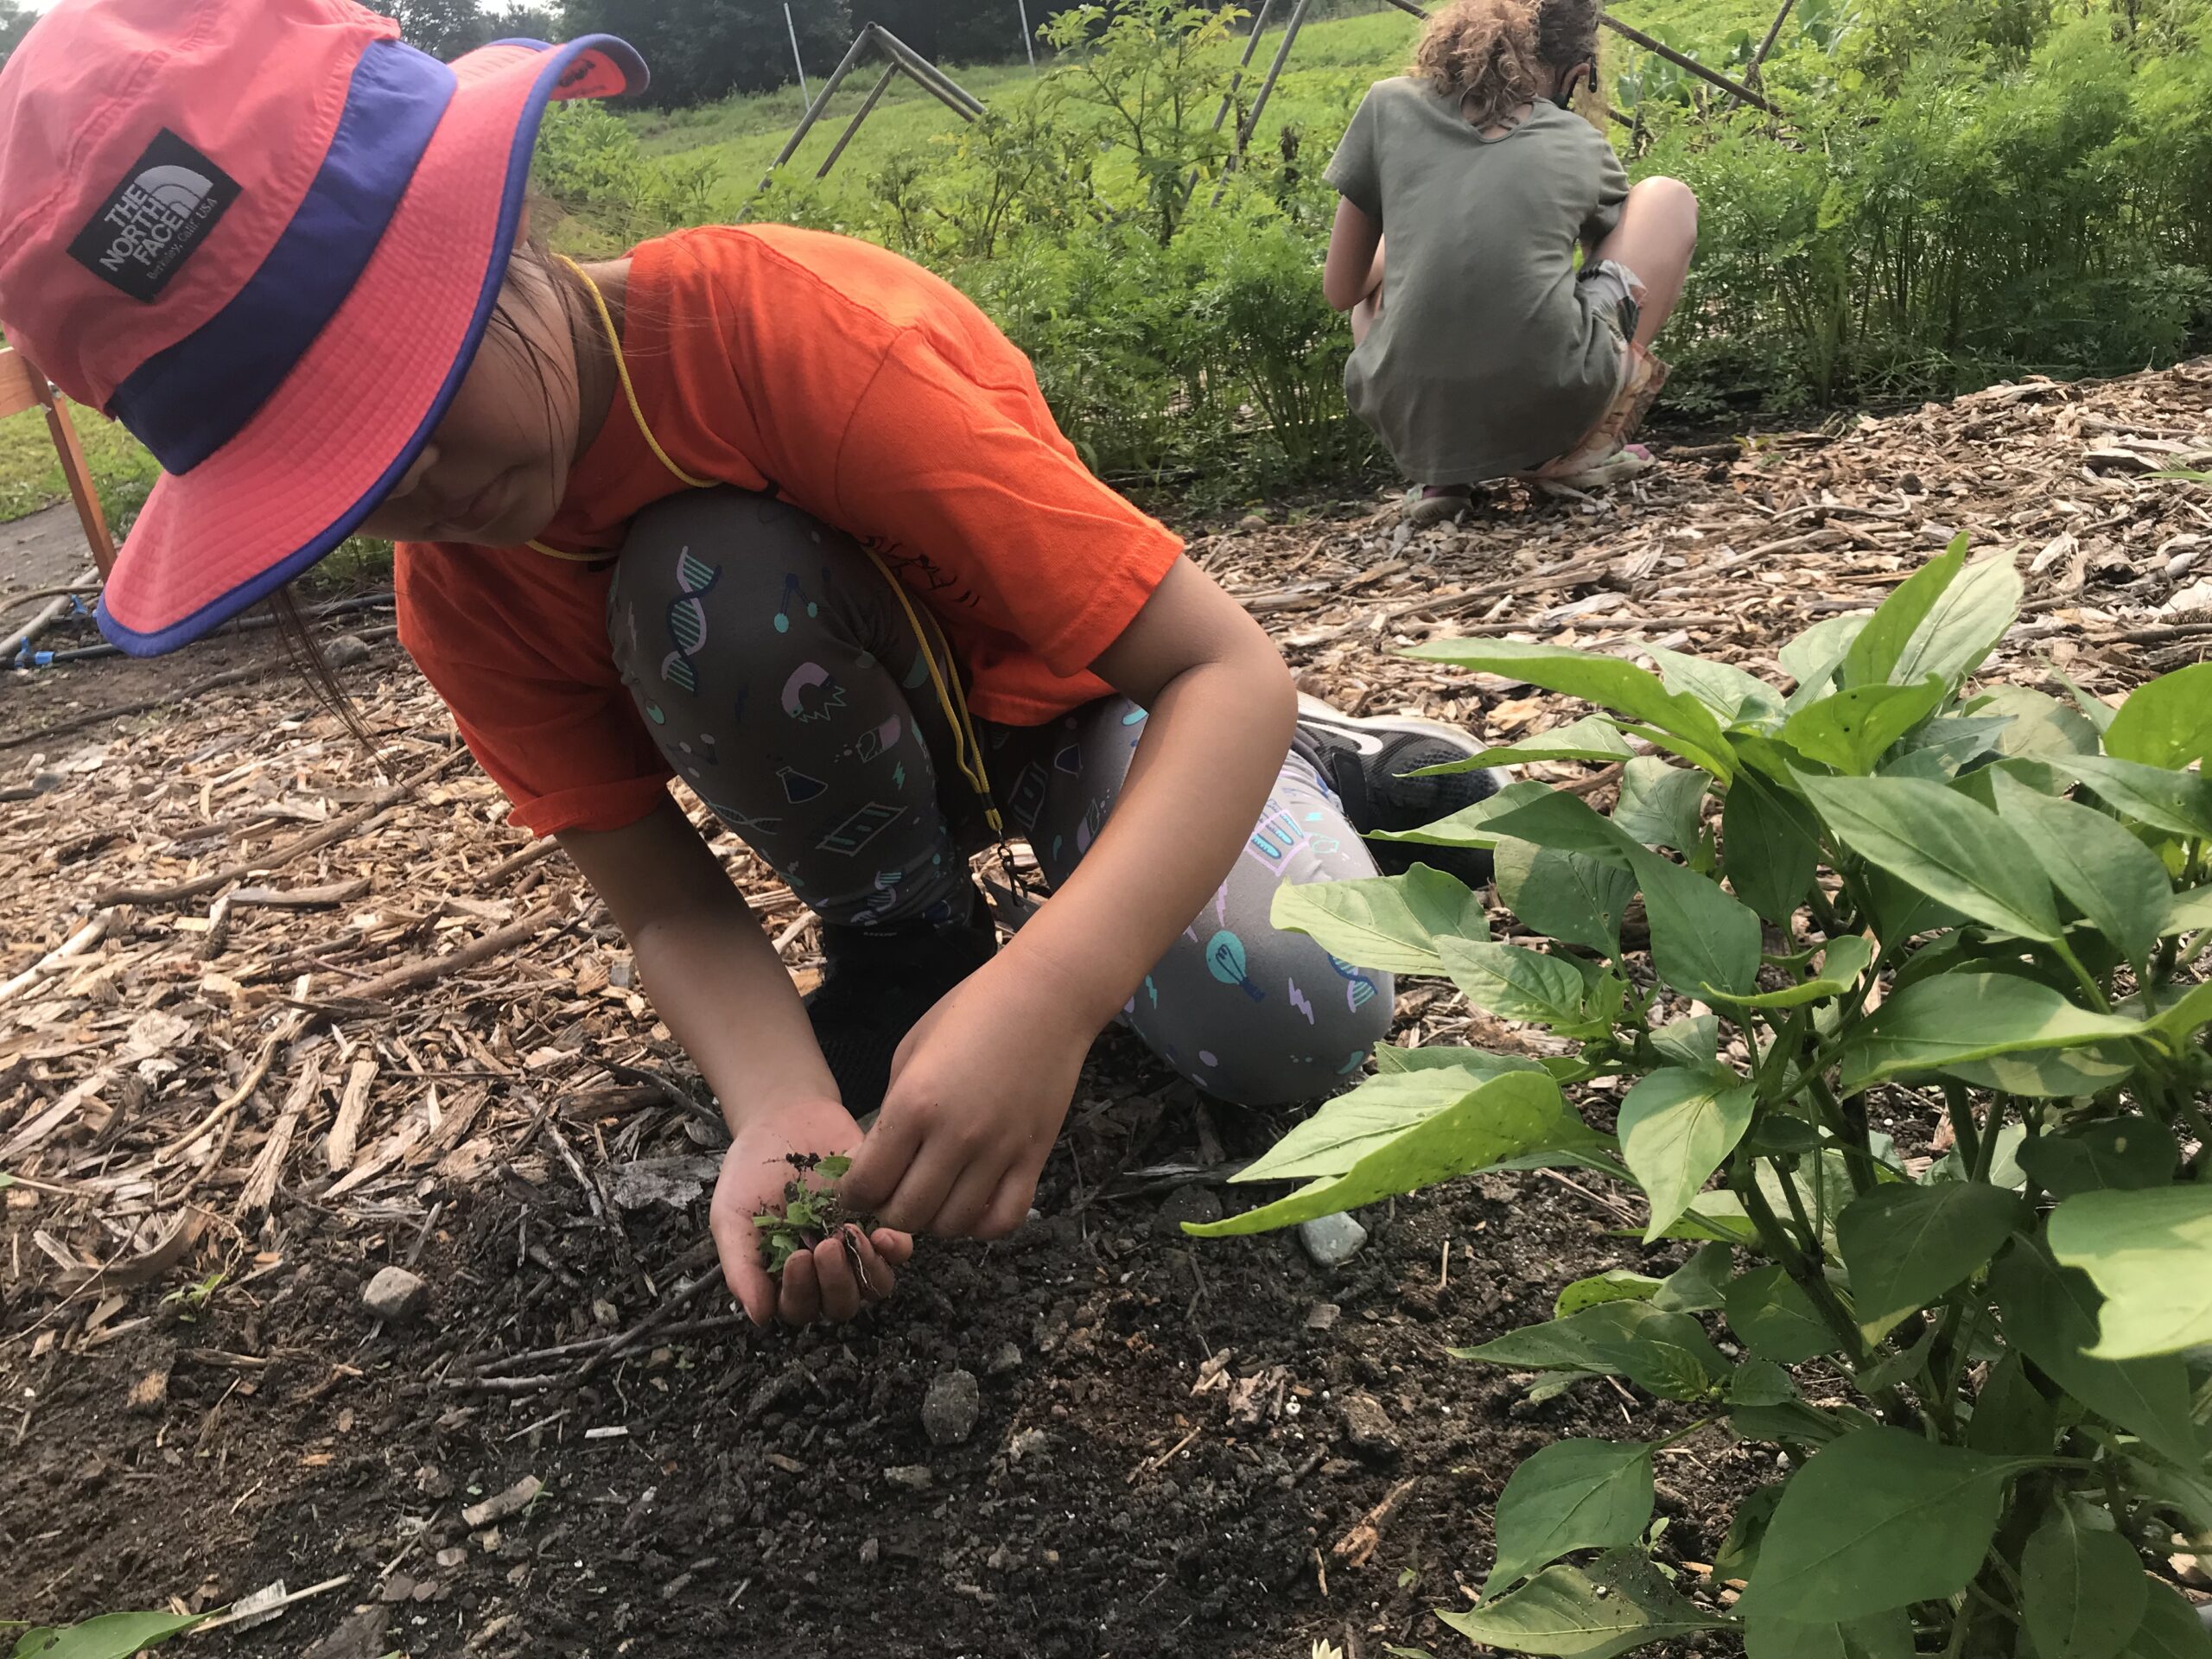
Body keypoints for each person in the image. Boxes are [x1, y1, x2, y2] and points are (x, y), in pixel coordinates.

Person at [0, 0, 1511, 1331]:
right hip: (884, 789)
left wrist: (1058, 990)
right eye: (334, 473)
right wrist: (778, 1100)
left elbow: (1215, 667)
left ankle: (1307, 758)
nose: (417, 482)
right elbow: (658, 897)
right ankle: (909, 940)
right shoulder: (458, 596)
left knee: (1300, 1021)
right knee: (699, 594)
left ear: (488, 228)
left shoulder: (778, 332)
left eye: (406, 387)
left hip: (1098, 700)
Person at [1321, 0, 1699, 525]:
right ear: (1577, 76)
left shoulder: (1386, 107)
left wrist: (1415, 236)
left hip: (1410, 417)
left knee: (1376, 300)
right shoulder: (1576, 139)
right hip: (1556, 394)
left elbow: (1341, 291)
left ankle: (1444, 476)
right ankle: (1580, 450)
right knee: (1666, 198)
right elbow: (1601, 266)